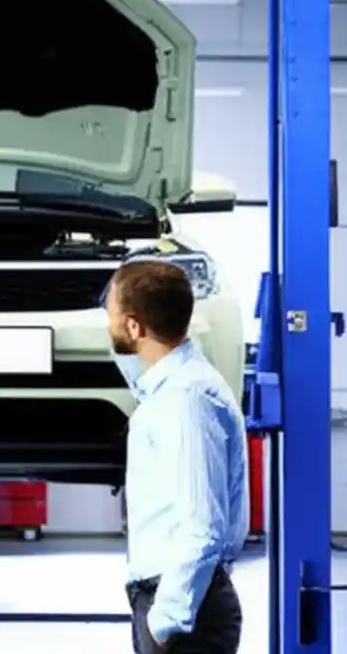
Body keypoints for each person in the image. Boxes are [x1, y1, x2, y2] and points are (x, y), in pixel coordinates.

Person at [105, 259, 249, 654]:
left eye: (111, 315)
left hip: (182, 611)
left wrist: (163, 623)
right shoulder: (171, 388)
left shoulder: (186, 398)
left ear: (134, 326)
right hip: (181, 600)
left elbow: (202, 524)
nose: (107, 325)